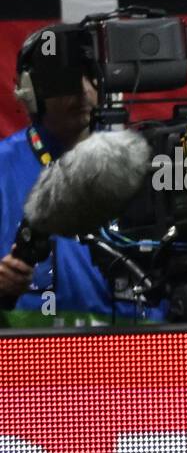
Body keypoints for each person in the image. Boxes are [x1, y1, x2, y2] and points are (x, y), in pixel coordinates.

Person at [0, 25, 163, 325]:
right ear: (30, 92)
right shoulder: (3, 168)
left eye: (91, 76)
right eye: (64, 81)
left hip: (143, 347)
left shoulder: (143, 160)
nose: (83, 91)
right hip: (35, 351)